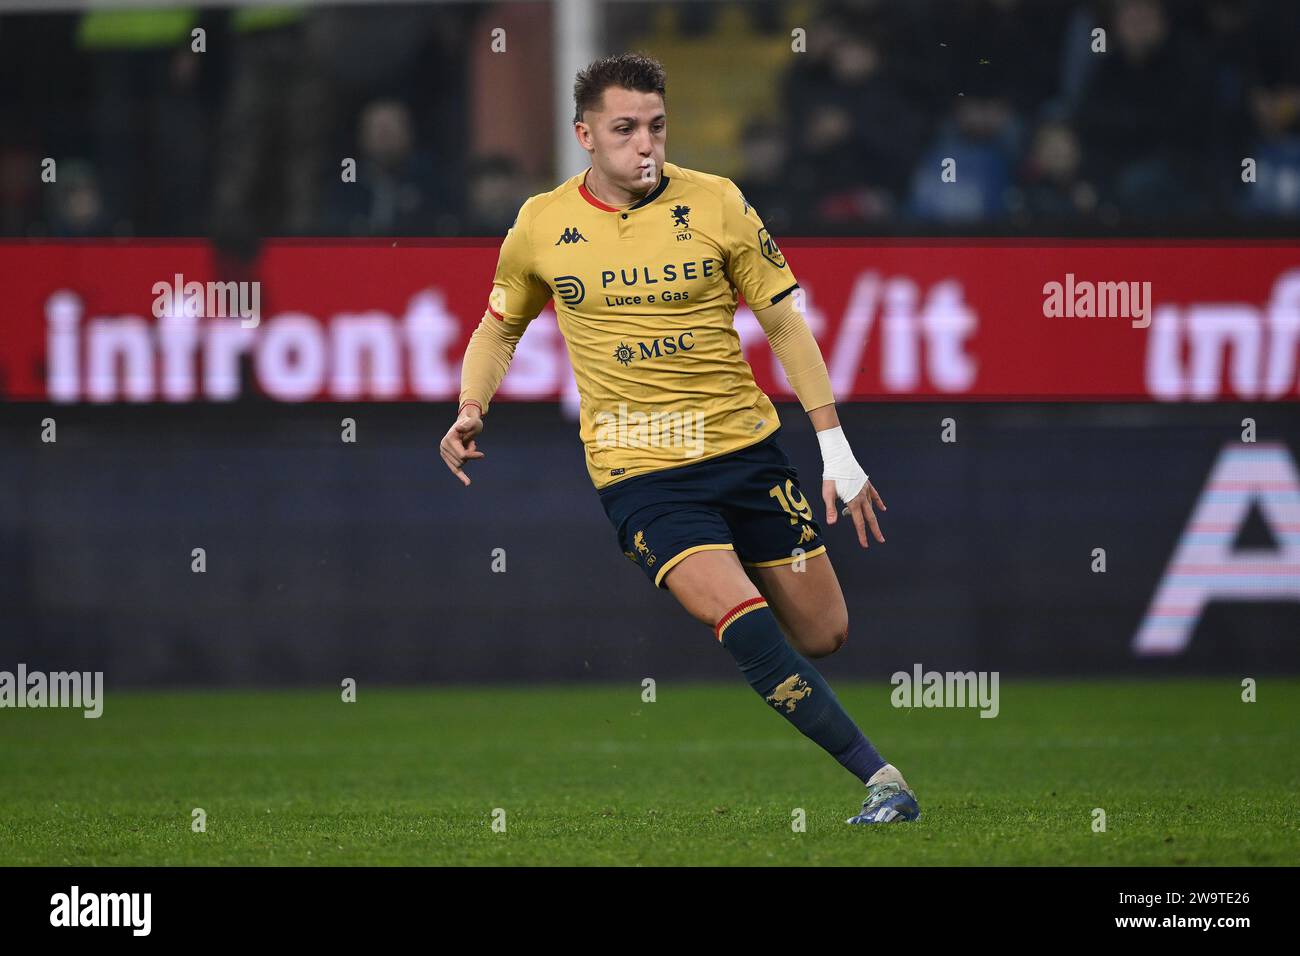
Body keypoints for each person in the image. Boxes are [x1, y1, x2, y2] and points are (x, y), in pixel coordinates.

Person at [441, 53, 918, 825]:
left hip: (743, 449)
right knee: (740, 618)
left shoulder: (719, 203)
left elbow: (784, 322)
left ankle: (768, 601)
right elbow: (499, 329)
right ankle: (883, 781)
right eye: (625, 130)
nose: (646, 147)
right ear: (584, 136)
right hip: (640, 469)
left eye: (657, 128)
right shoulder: (540, 225)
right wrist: (472, 405)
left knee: (825, 633)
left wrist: (836, 450)